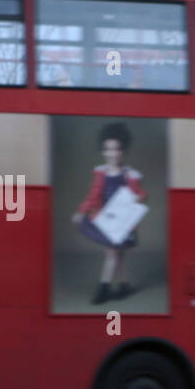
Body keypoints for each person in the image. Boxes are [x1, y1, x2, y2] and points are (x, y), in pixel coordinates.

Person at [71, 122, 145, 304]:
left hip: (122, 222)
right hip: (106, 220)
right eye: (109, 150)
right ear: (103, 151)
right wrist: (83, 211)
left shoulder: (130, 175)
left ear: (123, 151)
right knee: (115, 254)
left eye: (117, 149)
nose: (113, 154)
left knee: (114, 253)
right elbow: (93, 194)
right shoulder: (101, 173)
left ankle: (103, 288)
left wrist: (138, 198)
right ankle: (123, 285)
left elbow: (141, 194)